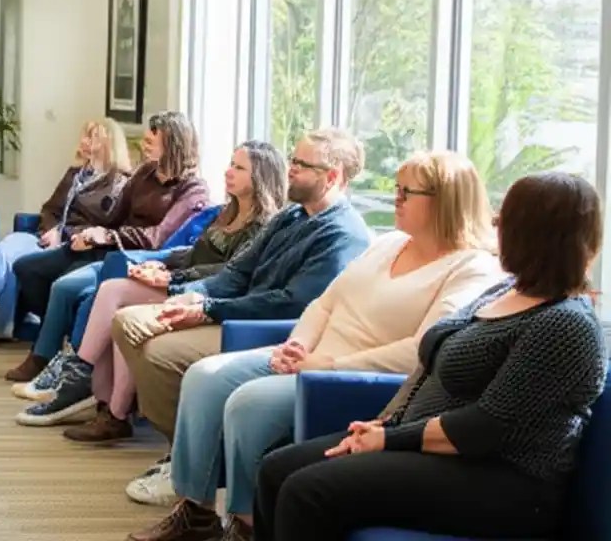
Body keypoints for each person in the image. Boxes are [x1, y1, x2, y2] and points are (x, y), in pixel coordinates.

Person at [127, 150, 504, 541]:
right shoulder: (389, 243)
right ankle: (196, 511)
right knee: (204, 376)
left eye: (408, 191)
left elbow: (421, 351)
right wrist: (298, 345)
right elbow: (325, 302)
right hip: (307, 356)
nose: (396, 198)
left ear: (446, 200)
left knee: (247, 403)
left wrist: (327, 362)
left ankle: (246, 523)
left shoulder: (470, 267)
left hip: (350, 376)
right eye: (396, 188)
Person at [253, 171, 607, 541]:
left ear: (534, 235)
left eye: (506, 217)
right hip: (432, 450)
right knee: (276, 470)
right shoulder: (504, 290)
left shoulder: (565, 324)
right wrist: (385, 424)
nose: (495, 223)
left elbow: (485, 427)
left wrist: (390, 439)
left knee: (307, 493)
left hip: (504, 481)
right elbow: (430, 364)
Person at [114, 127, 372, 506]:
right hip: (232, 311)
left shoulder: (343, 234)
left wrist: (207, 311)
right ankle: (183, 451)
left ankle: (190, 466)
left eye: (301, 164)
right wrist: (191, 296)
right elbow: (238, 272)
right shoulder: (291, 217)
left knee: (159, 353)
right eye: (292, 159)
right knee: (128, 321)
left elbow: (289, 304)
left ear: (332, 177)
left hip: (260, 330)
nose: (290, 169)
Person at [25, 141, 286, 440]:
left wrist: (173, 279)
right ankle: (100, 397)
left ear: (262, 176)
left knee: (118, 299)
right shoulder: (227, 212)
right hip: (184, 281)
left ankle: (98, 395)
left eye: (239, 167)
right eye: (230, 163)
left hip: (206, 296)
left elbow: (230, 274)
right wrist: (162, 268)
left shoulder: (265, 225)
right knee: (115, 295)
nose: (228, 172)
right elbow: (193, 253)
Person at [4, 111, 213, 385]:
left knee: (64, 287)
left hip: (136, 259)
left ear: (172, 143)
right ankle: (56, 338)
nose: (145, 143)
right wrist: (84, 233)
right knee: (26, 268)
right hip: (107, 246)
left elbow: (157, 237)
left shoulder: (193, 189)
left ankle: (44, 356)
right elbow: (112, 217)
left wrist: (108, 237)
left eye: (152, 139)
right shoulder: (144, 173)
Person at [0, 118, 133, 345]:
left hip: (77, 246)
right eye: (84, 135)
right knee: (7, 246)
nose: (84, 141)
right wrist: (51, 231)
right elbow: (50, 208)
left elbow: (106, 225)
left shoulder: (120, 184)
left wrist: (64, 233)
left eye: (92, 136)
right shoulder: (75, 174)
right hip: (48, 238)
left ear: (108, 143)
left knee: (26, 264)